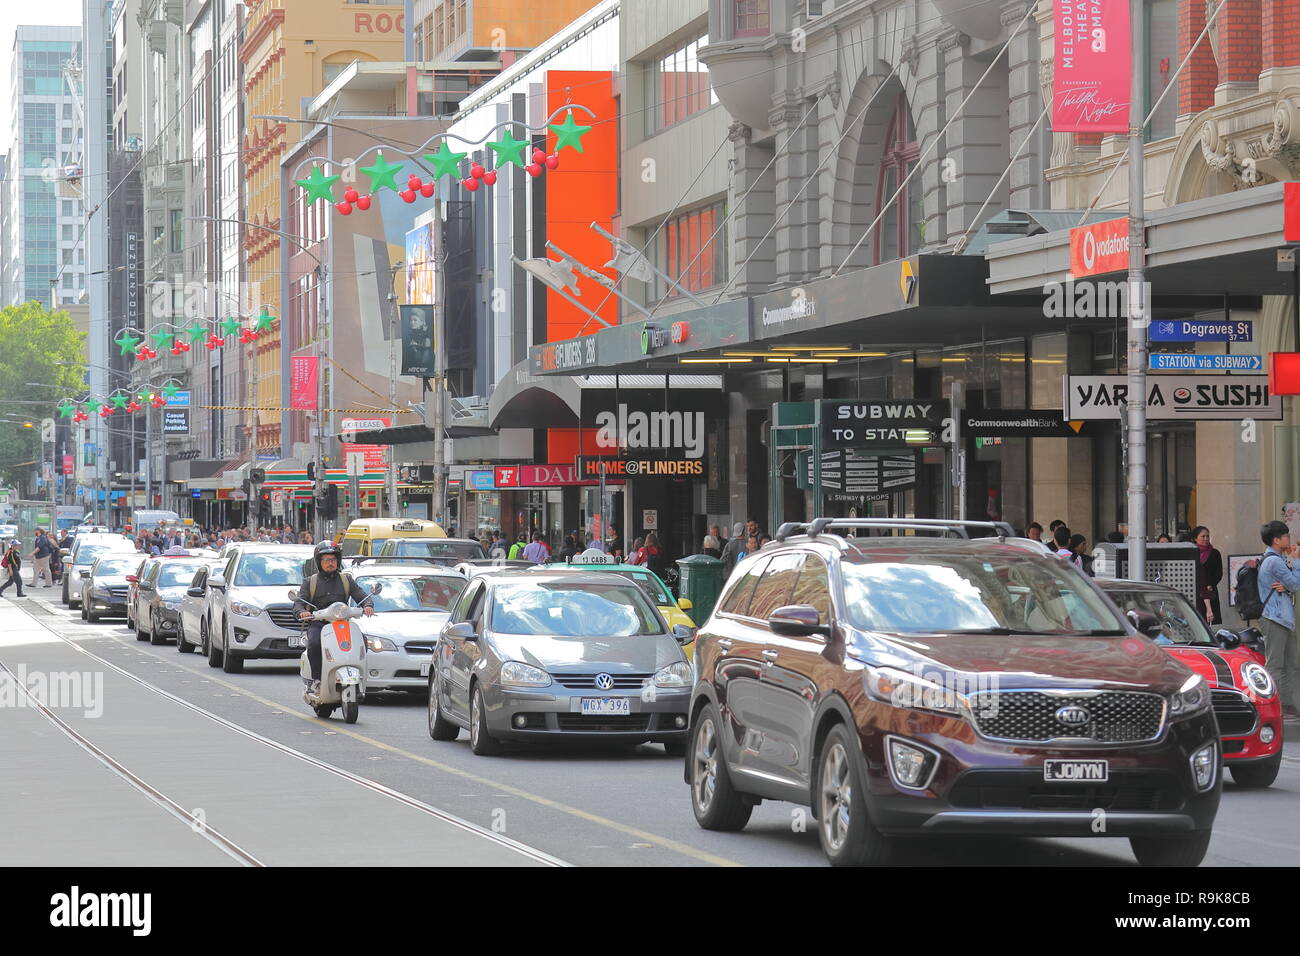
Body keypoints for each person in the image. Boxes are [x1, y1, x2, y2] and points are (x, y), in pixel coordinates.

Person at [294, 542, 375, 695]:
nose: (330, 563)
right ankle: (317, 680)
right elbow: (299, 603)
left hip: (342, 624)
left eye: (333, 559)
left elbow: (362, 596)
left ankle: (358, 676)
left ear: (338, 561)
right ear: (319, 562)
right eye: (326, 560)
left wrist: (368, 605)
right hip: (320, 624)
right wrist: (301, 612)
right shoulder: (309, 582)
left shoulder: (346, 580)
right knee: (314, 643)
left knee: (362, 640)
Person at [1255, 521, 1300, 721]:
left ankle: (1288, 705)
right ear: (1276, 540)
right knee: (1275, 663)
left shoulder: (1277, 559)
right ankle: (1273, 706)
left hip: (1283, 619)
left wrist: (1288, 585)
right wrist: (1297, 560)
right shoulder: (1274, 561)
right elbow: (1296, 583)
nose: (1289, 539)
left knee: (1291, 663)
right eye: (1286, 536)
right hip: (1274, 618)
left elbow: (1290, 585)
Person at [1191, 525, 1223, 625]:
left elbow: (1219, 573)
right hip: (1195, 592)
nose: (1206, 539)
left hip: (1210, 591)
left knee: (1211, 622)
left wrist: (1211, 584)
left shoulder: (1215, 553)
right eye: (1203, 536)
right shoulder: (1192, 552)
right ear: (1196, 538)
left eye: (1207, 536)